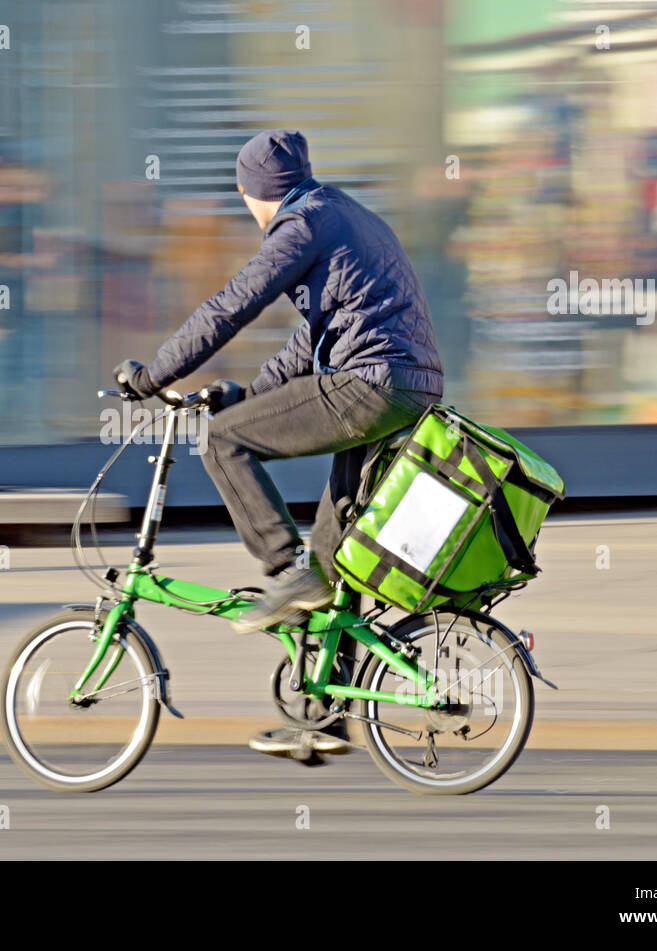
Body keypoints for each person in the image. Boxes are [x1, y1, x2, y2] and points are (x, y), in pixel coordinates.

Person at [113, 129, 444, 760]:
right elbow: (317, 336)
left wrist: (155, 375)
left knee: (222, 442)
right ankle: (322, 721)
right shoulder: (342, 213)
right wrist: (253, 396)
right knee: (334, 560)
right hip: (408, 388)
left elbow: (230, 306)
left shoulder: (297, 226)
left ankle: (281, 572)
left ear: (252, 193)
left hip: (370, 384)